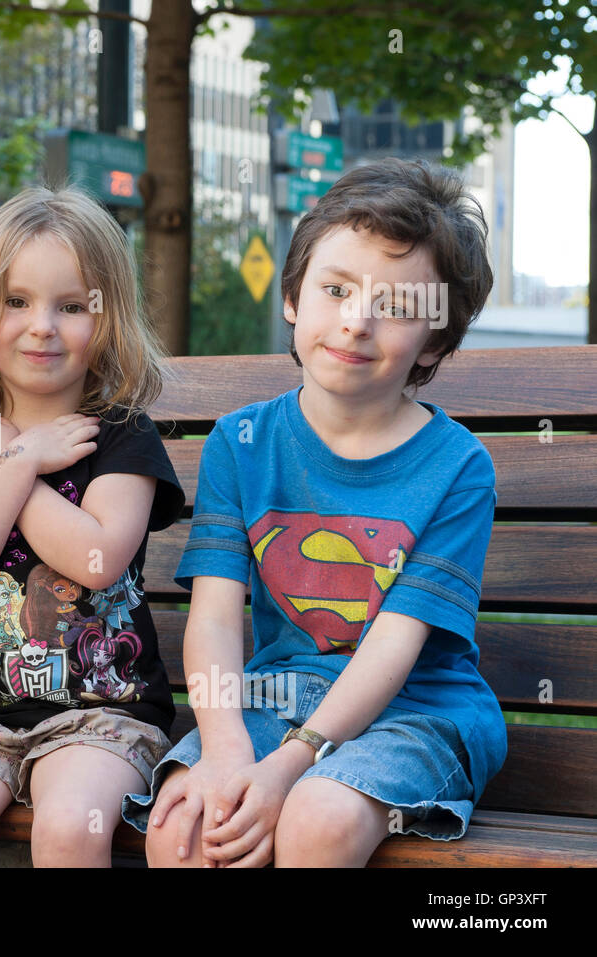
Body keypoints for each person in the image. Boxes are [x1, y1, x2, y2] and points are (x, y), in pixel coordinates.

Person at [125, 158, 505, 868]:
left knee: (317, 821)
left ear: (436, 343)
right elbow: (212, 616)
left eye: (396, 307)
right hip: (274, 699)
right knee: (183, 825)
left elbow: (393, 649)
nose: (356, 322)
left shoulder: (456, 466)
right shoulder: (242, 443)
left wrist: (288, 765)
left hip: (417, 714)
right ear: (294, 298)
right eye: (336, 289)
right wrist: (229, 747)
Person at [0, 186, 185, 867]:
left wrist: (5, 463)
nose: (42, 326)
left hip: (104, 714)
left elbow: (95, 557)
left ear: (106, 314)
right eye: (17, 301)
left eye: (71, 305)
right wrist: (21, 457)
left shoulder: (118, 435)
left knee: (68, 828)